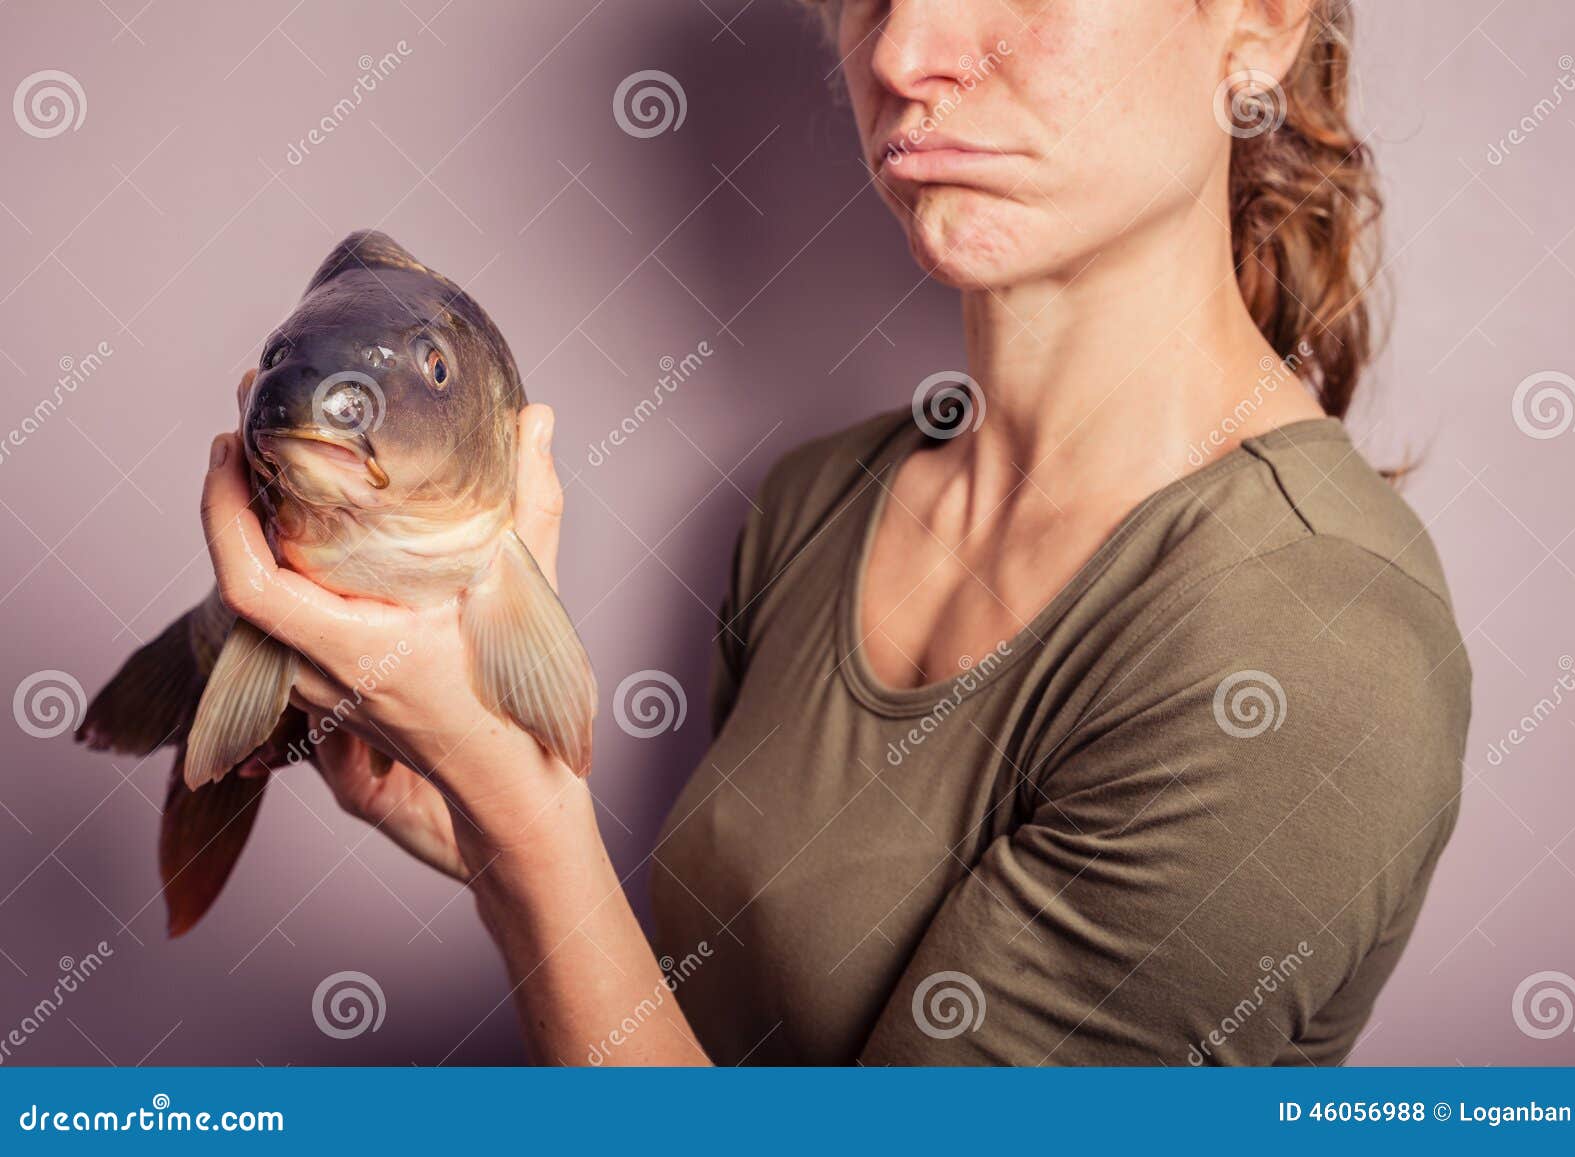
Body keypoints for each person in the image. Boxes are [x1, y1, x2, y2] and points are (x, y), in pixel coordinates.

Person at [199, 0, 1469, 1065]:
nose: (902, 54)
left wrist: (526, 826)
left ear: (1258, 23)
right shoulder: (813, 506)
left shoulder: (1313, 644)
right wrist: (484, 823)